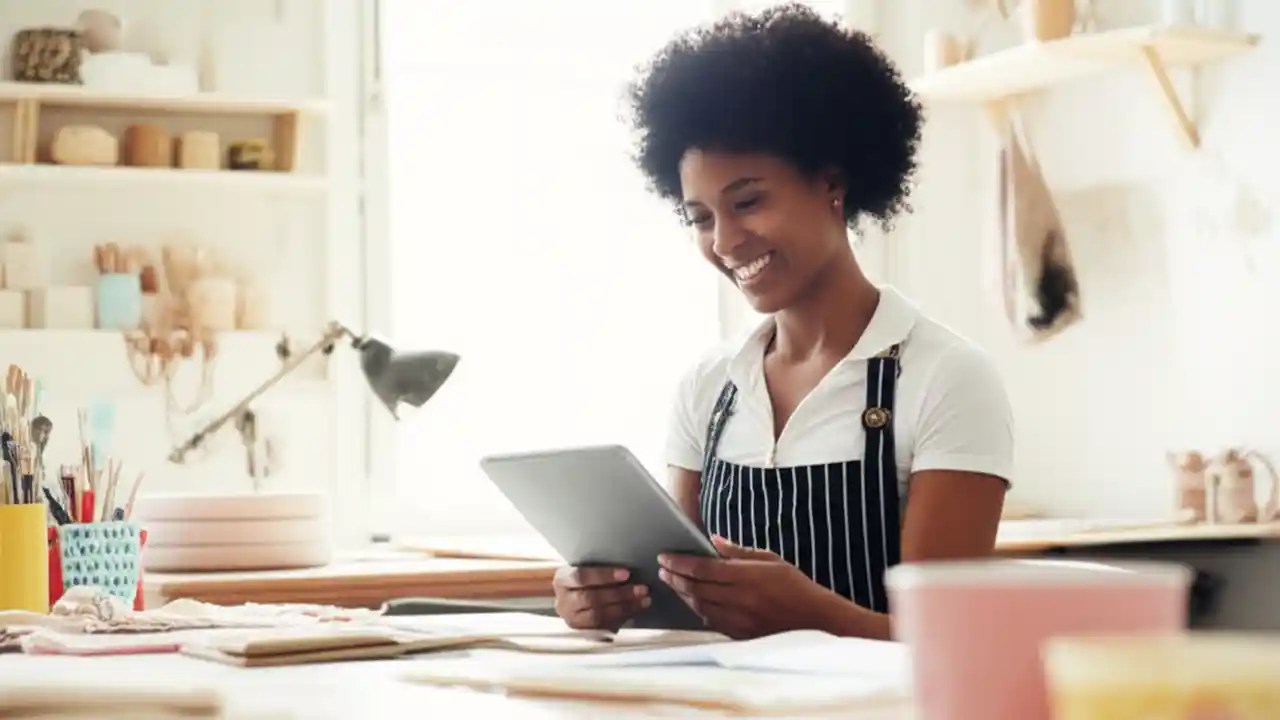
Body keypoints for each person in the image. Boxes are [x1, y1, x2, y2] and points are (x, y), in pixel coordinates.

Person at [552, 3, 1014, 640]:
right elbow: (674, 608)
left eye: (747, 202)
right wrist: (603, 606)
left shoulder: (945, 378)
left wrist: (813, 617)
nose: (725, 241)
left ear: (832, 182)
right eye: (700, 218)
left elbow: (951, 644)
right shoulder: (707, 388)